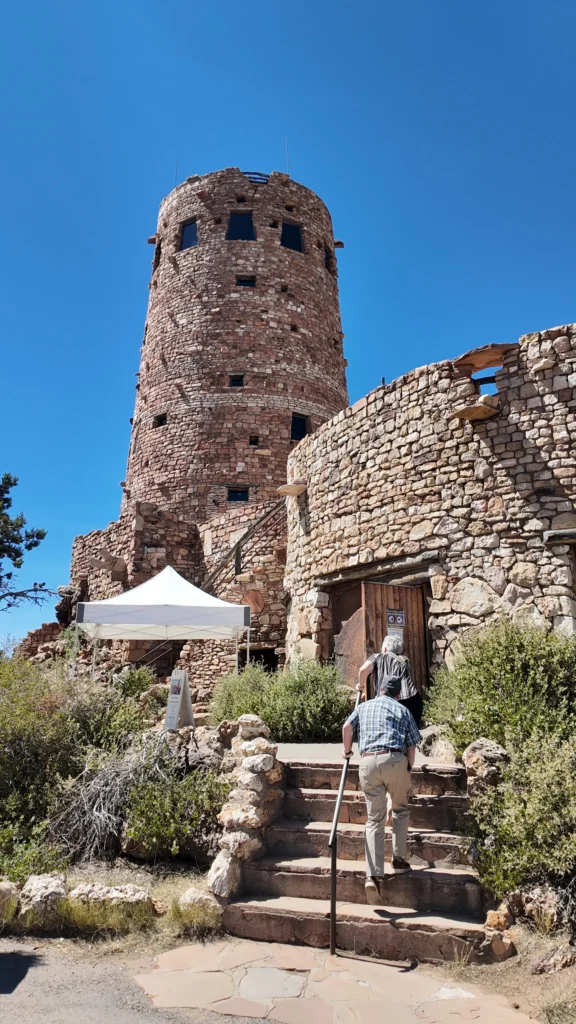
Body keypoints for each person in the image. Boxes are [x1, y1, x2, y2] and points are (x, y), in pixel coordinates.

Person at [342, 674, 421, 904]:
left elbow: (347, 727)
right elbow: (412, 745)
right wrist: (408, 767)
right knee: (400, 810)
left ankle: (373, 876)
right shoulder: (402, 710)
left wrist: (347, 752)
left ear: (379, 688)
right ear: (398, 694)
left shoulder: (364, 706)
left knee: (374, 819)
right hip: (395, 759)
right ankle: (398, 860)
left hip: (368, 762)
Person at [357, 634, 423, 726]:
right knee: (410, 735)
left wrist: (360, 686)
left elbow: (363, 670)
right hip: (412, 700)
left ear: (384, 649)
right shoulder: (405, 660)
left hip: (389, 702)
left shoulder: (377, 657)